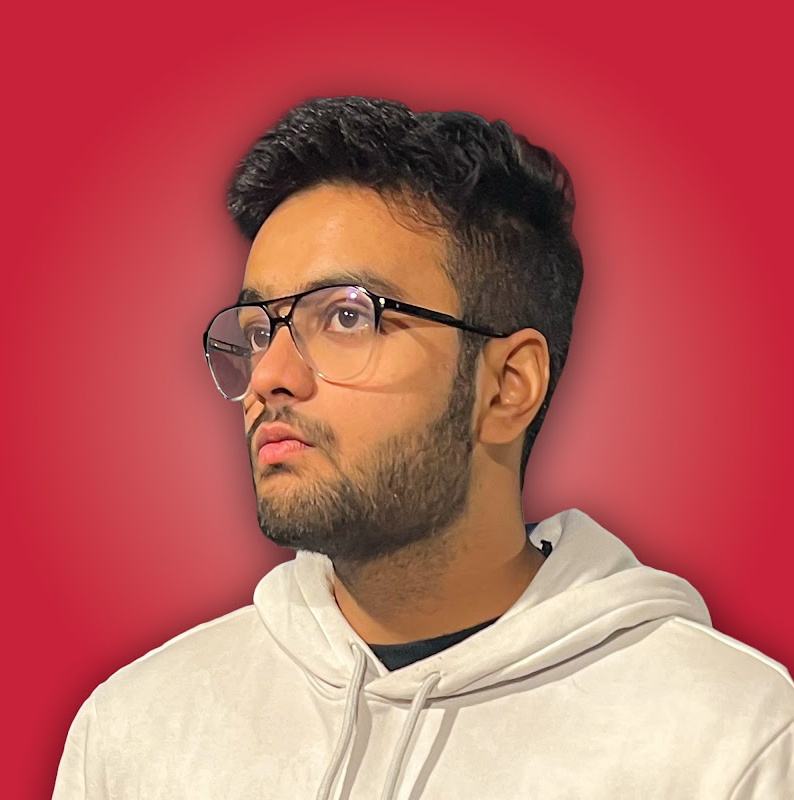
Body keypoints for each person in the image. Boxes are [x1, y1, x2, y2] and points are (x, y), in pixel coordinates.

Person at [52, 96, 793, 799]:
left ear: (507, 387)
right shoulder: (142, 730)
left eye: (346, 317)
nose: (269, 376)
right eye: (257, 331)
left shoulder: (727, 738)